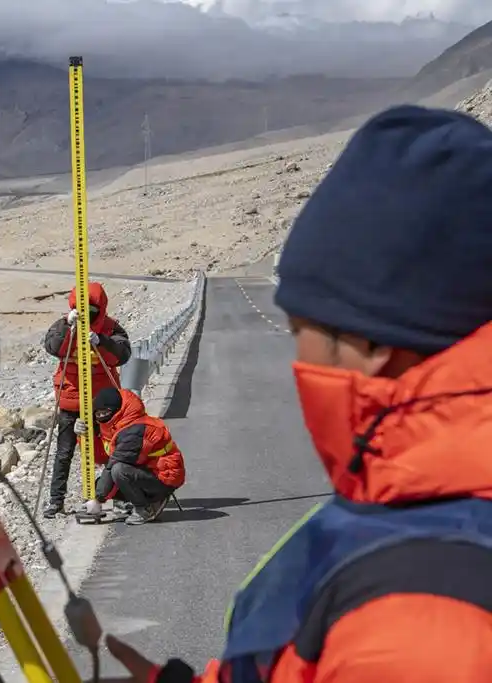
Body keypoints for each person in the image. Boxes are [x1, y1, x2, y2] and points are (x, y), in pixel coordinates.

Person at [93, 105, 492, 682]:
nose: (298, 364)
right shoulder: (406, 515)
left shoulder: (418, 620)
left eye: (304, 334)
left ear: (370, 342)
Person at [43, 282, 131, 518]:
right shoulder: (64, 324)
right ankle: (56, 501)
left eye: (92, 310)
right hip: (71, 401)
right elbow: (53, 346)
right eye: (82, 310)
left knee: (112, 450)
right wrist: (68, 328)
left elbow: (123, 354)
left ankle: (120, 498)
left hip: (103, 403)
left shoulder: (111, 329)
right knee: (64, 453)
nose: (87, 315)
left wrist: (102, 341)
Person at [75, 387, 184, 525]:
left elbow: (113, 464)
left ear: (116, 410)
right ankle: (131, 502)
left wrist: (97, 500)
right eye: (98, 413)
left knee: (118, 471)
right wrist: (83, 435)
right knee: (101, 482)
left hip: (164, 477)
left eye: (105, 413)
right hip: (145, 469)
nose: (101, 416)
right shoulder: (113, 423)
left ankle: (146, 509)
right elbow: (102, 457)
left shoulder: (134, 430)